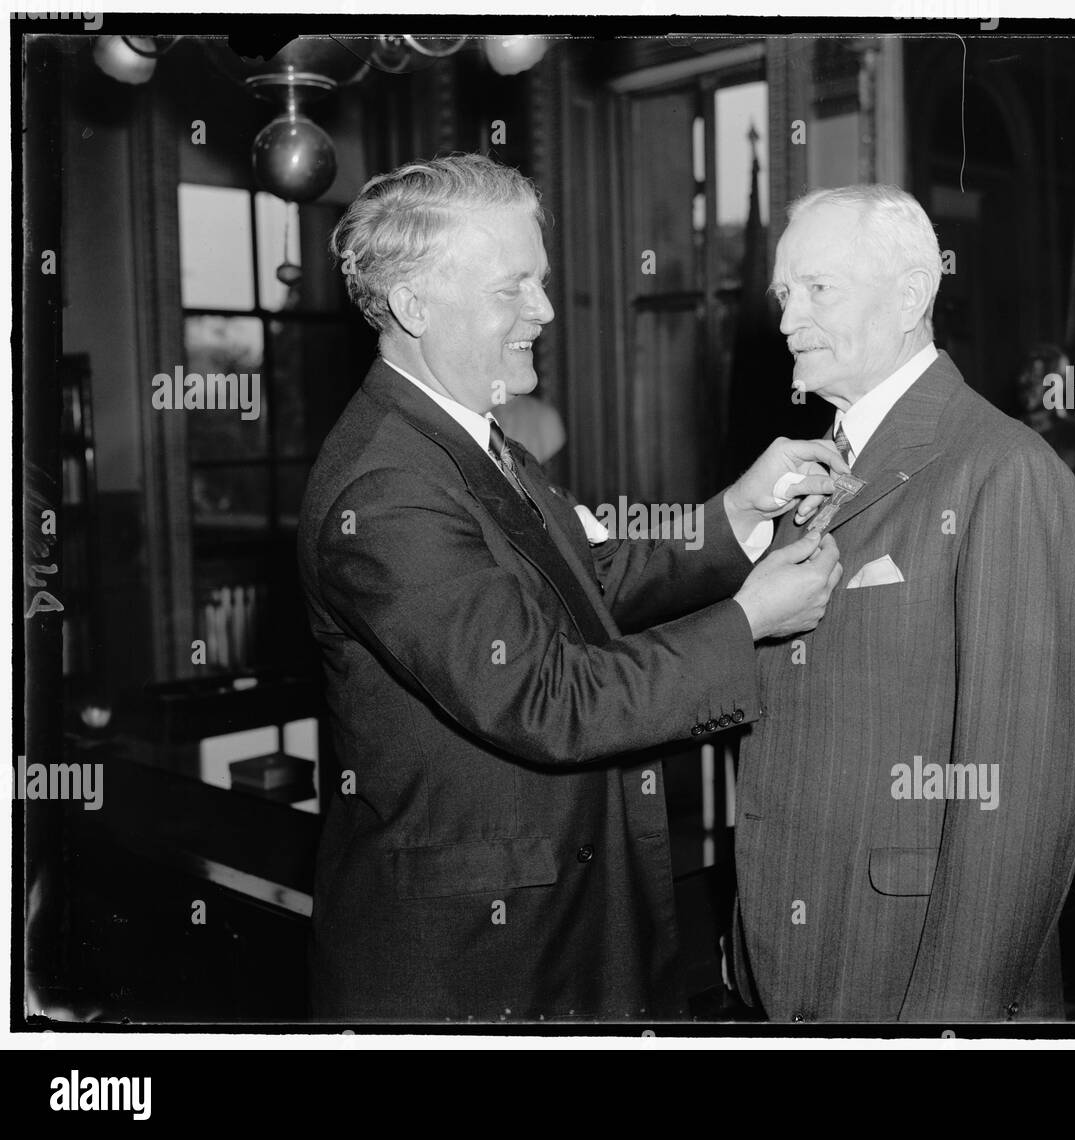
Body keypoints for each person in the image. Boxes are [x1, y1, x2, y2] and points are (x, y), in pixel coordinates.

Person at [297, 155, 845, 1022]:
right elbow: (549, 698)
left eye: (541, 283)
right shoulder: (389, 491)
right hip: (473, 963)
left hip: (550, 923)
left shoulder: (466, 431)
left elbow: (585, 581)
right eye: (514, 288)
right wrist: (745, 624)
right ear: (414, 306)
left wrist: (737, 511)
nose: (545, 311)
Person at [733, 185, 1075, 1023]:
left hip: (912, 971)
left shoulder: (1005, 471)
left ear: (911, 294)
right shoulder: (808, 475)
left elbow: (1019, 798)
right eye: (785, 294)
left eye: (818, 289)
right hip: (790, 953)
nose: (789, 320)